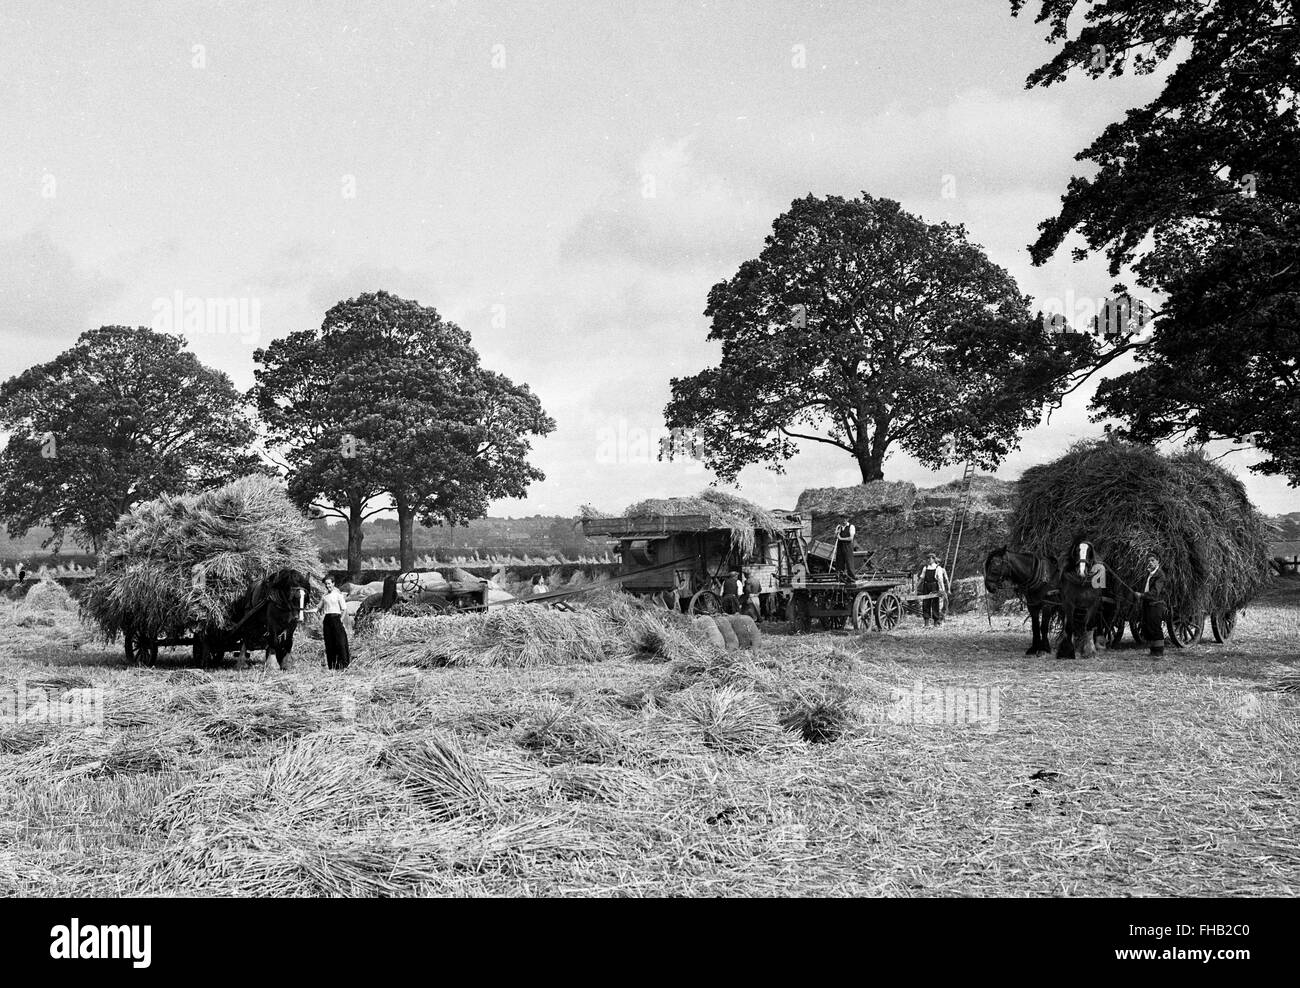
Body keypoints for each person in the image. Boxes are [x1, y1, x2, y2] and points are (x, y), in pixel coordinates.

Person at [316, 576, 351, 670]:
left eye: (329, 583)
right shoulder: (324, 596)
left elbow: (344, 609)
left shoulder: (338, 595)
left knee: (340, 642)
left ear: (333, 583)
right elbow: (318, 608)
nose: (327, 586)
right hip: (327, 620)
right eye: (326, 584)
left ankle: (343, 665)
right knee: (329, 643)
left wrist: (340, 620)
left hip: (336, 619)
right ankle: (332, 666)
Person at [1140, 552, 1167, 658]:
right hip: (1148, 603)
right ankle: (1153, 651)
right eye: (1149, 561)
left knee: (1155, 627)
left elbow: (1155, 592)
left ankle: (1159, 652)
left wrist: (1142, 595)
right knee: (1149, 626)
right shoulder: (1150, 574)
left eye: (1152, 560)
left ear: (1158, 561)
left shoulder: (1160, 575)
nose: (1150, 563)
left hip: (1156, 604)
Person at [917, 552, 950, 626]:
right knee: (926, 604)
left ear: (934, 559)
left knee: (935, 604)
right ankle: (926, 623)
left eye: (930, 559)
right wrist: (917, 587)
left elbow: (940, 580)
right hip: (926, 586)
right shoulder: (925, 568)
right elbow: (921, 579)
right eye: (927, 559)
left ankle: (935, 622)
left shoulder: (938, 568)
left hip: (934, 586)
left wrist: (943, 589)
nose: (928, 560)